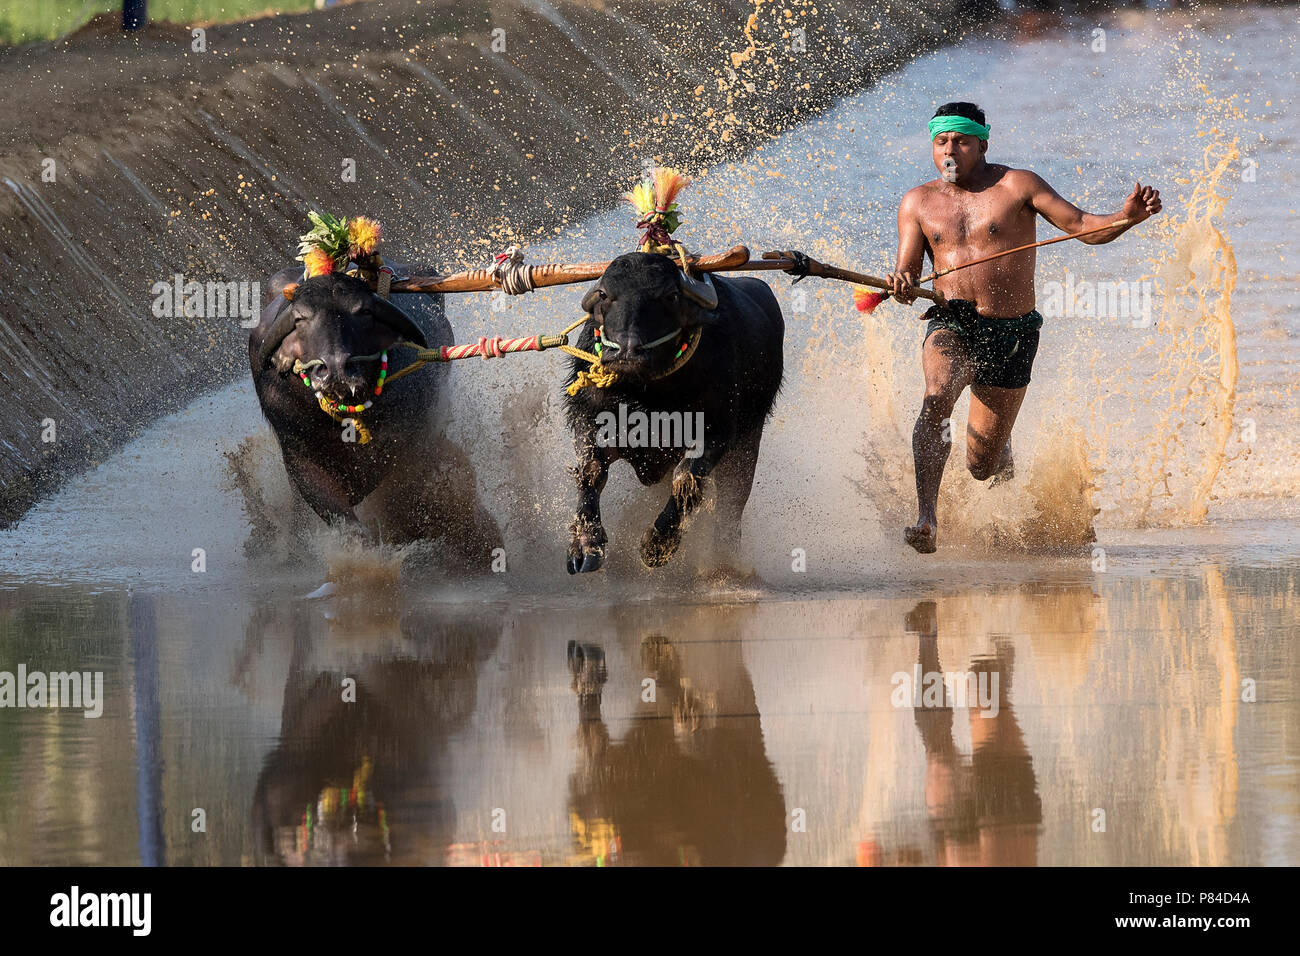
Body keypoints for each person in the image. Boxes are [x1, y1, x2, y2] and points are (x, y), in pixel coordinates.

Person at [887, 102, 1161, 553]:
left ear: (983, 144)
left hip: (1011, 332)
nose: (950, 150)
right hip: (950, 322)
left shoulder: (1018, 185)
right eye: (941, 142)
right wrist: (901, 283)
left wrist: (1124, 217)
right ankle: (926, 519)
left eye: (962, 141)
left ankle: (1001, 448)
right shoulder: (917, 202)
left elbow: (1083, 228)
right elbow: (909, 272)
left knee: (982, 465)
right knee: (936, 400)